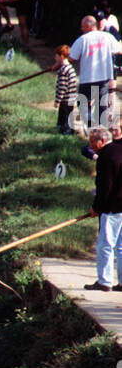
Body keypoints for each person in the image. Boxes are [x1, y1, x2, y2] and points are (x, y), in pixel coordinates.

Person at [85, 127, 122, 290]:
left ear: (102, 141)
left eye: (93, 141)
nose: (91, 145)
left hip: (112, 208)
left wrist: (96, 208)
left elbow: (104, 187)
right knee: (121, 247)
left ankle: (104, 281)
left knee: (105, 244)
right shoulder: (119, 150)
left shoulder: (105, 157)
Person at [70, 16, 121, 129]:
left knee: (83, 103)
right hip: (104, 77)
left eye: (82, 26)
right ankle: (100, 128)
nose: (81, 28)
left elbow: (72, 58)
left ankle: (91, 126)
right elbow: (118, 51)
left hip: (88, 77)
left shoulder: (83, 39)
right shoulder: (108, 37)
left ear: (88, 26)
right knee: (101, 103)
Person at [53, 45, 78, 135]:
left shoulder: (63, 70)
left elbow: (62, 87)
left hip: (65, 99)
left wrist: (57, 100)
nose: (55, 58)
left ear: (61, 56)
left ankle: (66, 132)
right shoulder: (70, 68)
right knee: (69, 116)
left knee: (65, 117)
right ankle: (69, 130)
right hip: (71, 98)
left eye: (56, 56)